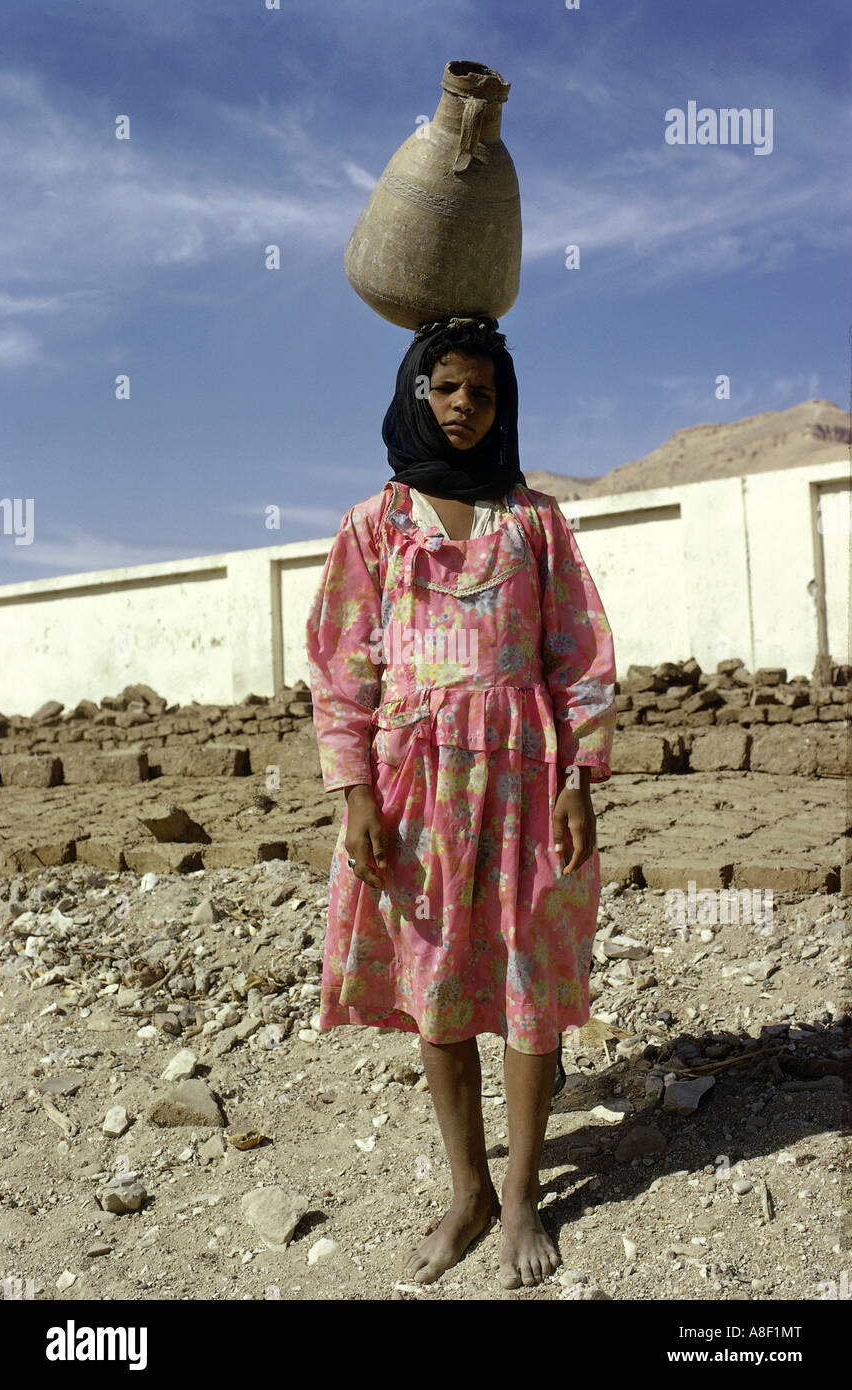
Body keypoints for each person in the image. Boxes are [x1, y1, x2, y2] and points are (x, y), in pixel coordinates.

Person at [304, 314, 616, 1290]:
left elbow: (582, 653)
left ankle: (521, 1192)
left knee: (527, 976)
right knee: (434, 983)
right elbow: (340, 666)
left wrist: (578, 777)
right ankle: (466, 1186)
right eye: (446, 388)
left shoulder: (536, 522)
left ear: (501, 403)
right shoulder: (374, 525)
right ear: (416, 394)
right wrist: (352, 788)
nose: (465, 407)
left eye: (481, 392)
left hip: (523, 774)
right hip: (413, 782)